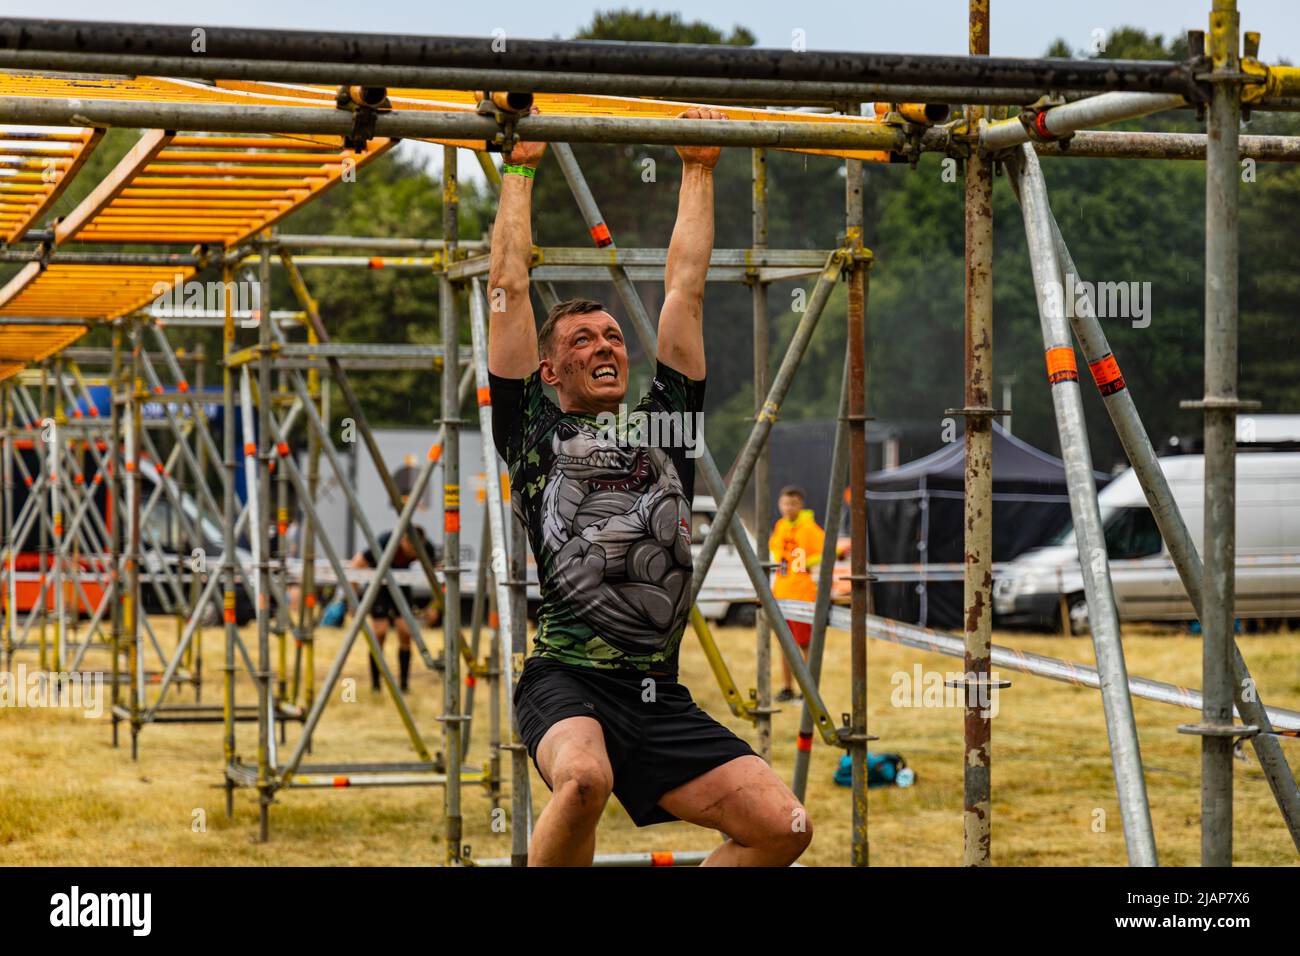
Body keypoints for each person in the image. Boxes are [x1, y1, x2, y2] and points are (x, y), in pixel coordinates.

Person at [486, 107, 811, 867]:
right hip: (566, 682)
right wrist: (520, 167)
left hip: (657, 695)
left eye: (611, 338)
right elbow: (506, 288)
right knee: (582, 783)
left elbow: (685, 290)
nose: (604, 347)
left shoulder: (668, 425)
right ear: (550, 371)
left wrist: (698, 168)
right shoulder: (532, 433)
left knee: (786, 828)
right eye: (581, 342)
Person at [348, 526, 440, 693]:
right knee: (380, 633)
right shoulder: (384, 541)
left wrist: (435, 606)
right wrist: (353, 602)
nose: (413, 553)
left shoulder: (425, 547)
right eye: (411, 549)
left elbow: (440, 577)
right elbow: (356, 565)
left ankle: (404, 686)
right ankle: (376, 686)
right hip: (378, 586)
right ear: (403, 540)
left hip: (401, 585)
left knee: (405, 632)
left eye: (416, 550)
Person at [768, 486, 826, 702]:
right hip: (781, 592)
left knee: (804, 645)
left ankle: (808, 689)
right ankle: (787, 687)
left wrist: (806, 565)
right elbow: (775, 552)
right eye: (785, 503)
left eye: (793, 504)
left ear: (800, 505)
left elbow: (827, 551)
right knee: (785, 643)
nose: (788, 508)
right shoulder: (781, 526)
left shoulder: (809, 528)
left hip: (802, 594)